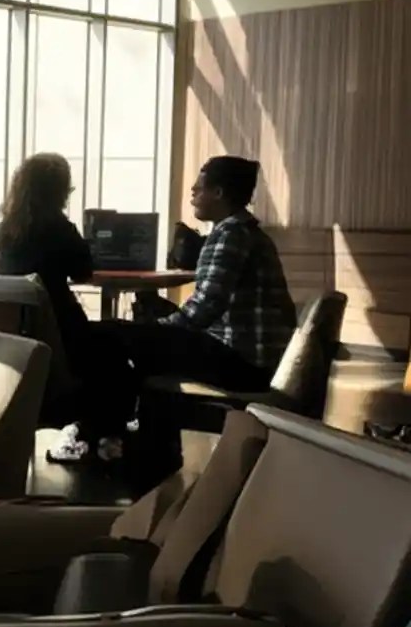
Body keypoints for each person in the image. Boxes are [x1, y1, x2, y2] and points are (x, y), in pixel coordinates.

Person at [102, 155, 296, 428]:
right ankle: (142, 437)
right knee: (136, 340)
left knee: (113, 335)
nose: (192, 192)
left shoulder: (231, 234)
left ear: (218, 193)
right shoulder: (245, 233)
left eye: (199, 187)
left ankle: (114, 434)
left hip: (243, 364)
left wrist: (158, 328)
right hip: (253, 358)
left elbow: (205, 308)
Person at [0, 153, 136, 462]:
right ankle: (102, 436)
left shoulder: (5, 231)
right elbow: (83, 271)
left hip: (24, 337)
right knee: (118, 349)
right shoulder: (59, 229)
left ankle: (87, 435)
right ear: (60, 191)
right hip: (63, 336)